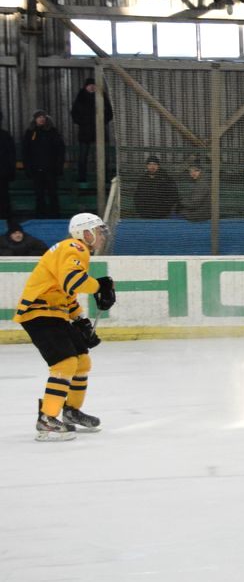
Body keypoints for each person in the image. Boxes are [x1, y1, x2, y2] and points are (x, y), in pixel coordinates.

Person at [14, 212, 116, 441]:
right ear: (85, 233)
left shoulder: (70, 250)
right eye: (98, 232)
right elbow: (73, 282)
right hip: (38, 312)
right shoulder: (74, 247)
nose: (101, 237)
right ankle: (47, 419)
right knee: (65, 363)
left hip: (53, 312)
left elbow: (65, 291)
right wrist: (100, 286)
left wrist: (80, 319)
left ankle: (70, 412)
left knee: (81, 360)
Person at [69, 77, 114, 183]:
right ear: (86, 86)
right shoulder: (80, 97)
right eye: (90, 85)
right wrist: (82, 122)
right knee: (83, 156)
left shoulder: (102, 96)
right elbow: (74, 113)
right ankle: (82, 178)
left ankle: (105, 178)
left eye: (94, 85)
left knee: (104, 157)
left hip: (100, 131)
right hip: (85, 132)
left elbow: (109, 112)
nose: (92, 87)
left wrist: (102, 121)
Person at [22, 110, 65, 218]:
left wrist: (58, 166)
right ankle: (40, 214)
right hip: (36, 169)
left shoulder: (53, 132)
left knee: (52, 193)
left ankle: (54, 214)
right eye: (39, 117)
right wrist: (28, 168)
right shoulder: (30, 133)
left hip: (51, 169)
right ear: (35, 119)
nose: (41, 119)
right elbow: (25, 152)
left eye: (43, 117)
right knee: (39, 194)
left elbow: (60, 150)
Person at [0, 112, 15, 222]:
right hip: (3, 171)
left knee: (4, 196)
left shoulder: (5, 136)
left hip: (3, 172)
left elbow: (10, 154)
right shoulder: (5, 135)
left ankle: (5, 217)